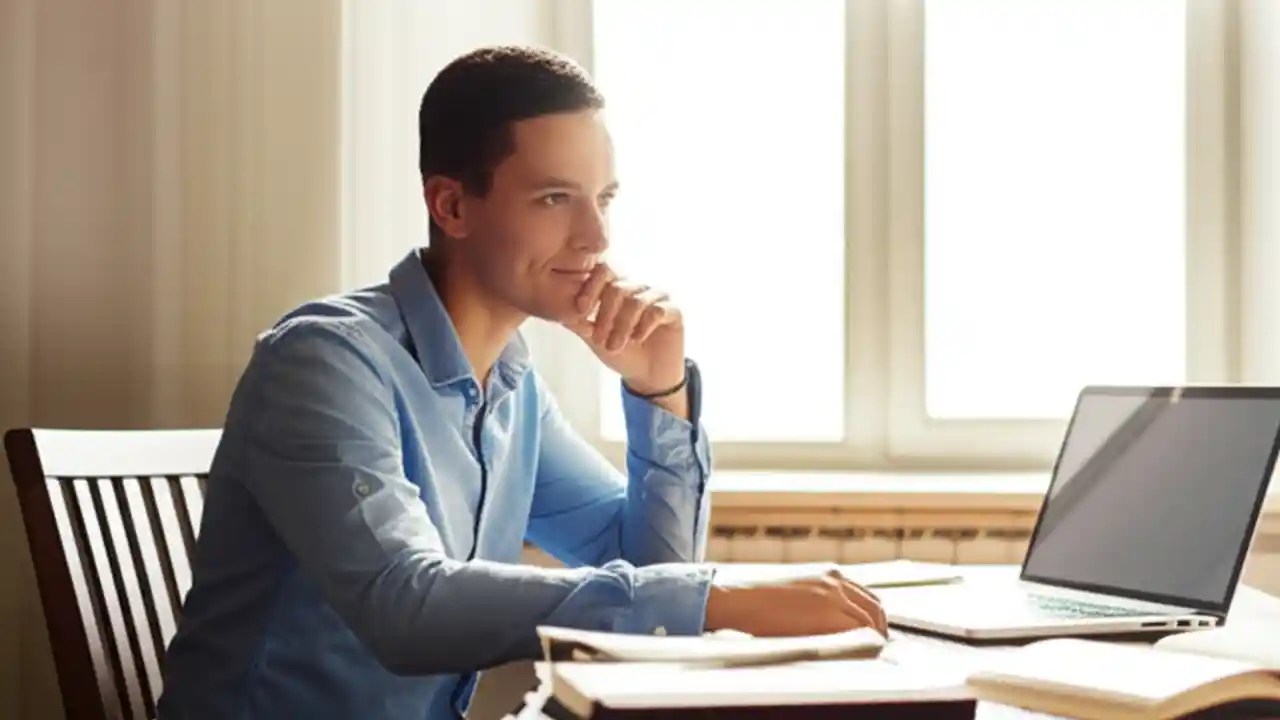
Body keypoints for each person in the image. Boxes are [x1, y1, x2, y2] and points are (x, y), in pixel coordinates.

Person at [158, 45, 886, 720]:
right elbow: (404, 606)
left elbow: (653, 575)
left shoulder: (512, 388)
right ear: (450, 206)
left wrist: (659, 393)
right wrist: (725, 602)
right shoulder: (323, 362)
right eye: (554, 199)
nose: (596, 237)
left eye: (605, 198)